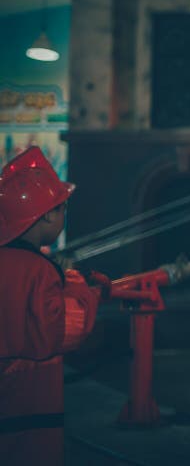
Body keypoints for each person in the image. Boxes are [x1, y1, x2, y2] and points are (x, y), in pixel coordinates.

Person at [0, 147, 103, 465]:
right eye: (61, 210)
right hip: (32, 400)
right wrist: (76, 283)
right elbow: (67, 330)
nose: (63, 217)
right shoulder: (42, 271)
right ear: (45, 215)